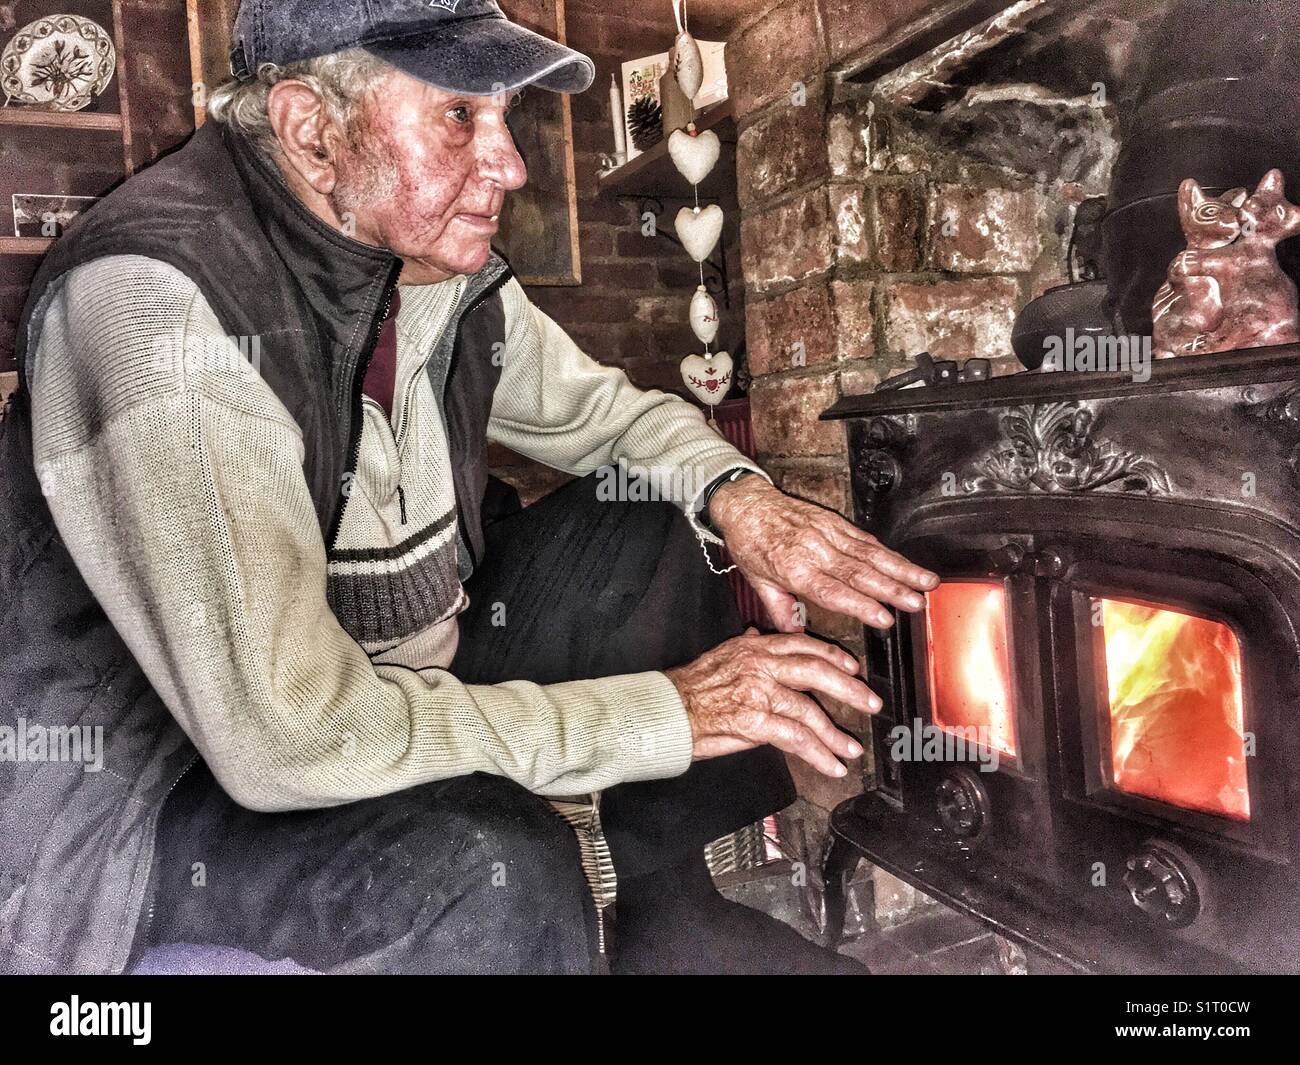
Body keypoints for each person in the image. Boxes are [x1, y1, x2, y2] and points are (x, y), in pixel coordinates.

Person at [0, 0, 938, 974]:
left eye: (502, 117)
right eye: (459, 117)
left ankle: (663, 907)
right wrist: (667, 712)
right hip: (184, 783)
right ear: (311, 132)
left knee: (651, 508)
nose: (512, 165)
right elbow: (289, 740)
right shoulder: (162, 313)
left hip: (408, 667)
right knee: (494, 862)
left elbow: (608, 419)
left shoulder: (433, 271)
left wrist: (744, 499)